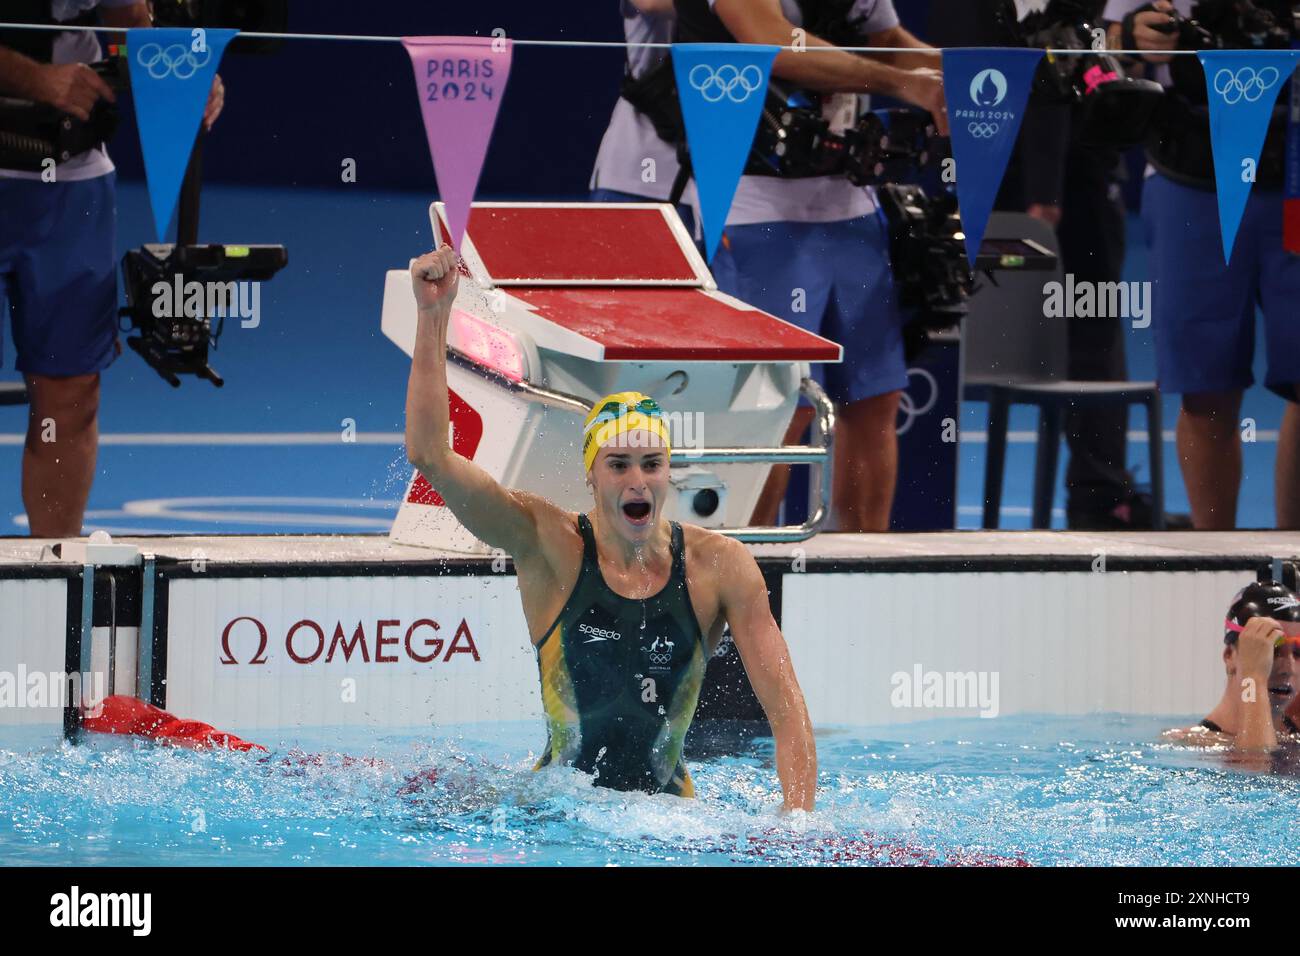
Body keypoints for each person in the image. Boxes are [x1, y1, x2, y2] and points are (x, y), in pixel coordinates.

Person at [403, 243, 817, 809]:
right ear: (592, 477)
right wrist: (433, 318)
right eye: (618, 465)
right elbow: (431, 454)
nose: (637, 482)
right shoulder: (548, 544)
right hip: (553, 813)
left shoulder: (722, 567)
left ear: (671, 472)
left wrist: (794, 829)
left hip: (672, 817)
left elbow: (789, 714)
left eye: (651, 465)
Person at [668, 0, 947, 532]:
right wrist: (904, 84)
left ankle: (863, 570)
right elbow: (773, 42)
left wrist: (955, 72)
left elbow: (887, 41)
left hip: (851, 200)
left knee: (873, 399)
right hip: (751, 203)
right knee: (783, 403)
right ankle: (752, 576)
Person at [0, 0, 224, 537]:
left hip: (71, 178)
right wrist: (34, 78)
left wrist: (172, 67)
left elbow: (122, 13)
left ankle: (54, 582)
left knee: (70, 393)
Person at [1104, 0, 1300, 530]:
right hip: (1193, 179)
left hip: (1297, 184)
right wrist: (1130, 40)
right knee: (1205, 386)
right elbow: (1099, 46)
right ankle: (1212, 562)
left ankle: (1296, 573)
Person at [1165, 580, 1300, 750]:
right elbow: (1256, 767)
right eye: (1270, 650)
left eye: (1298, 653)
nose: (1288, 669)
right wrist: (1254, 678)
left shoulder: (1295, 728)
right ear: (1229, 656)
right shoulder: (1187, 744)